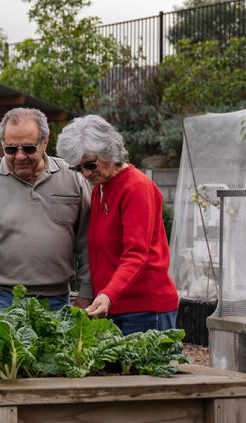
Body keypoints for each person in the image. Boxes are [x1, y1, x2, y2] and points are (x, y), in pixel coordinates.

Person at [0, 107, 93, 315]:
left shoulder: (72, 178)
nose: (20, 156)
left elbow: (87, 240)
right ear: (3, 144)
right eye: (11, 149)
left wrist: (87, 289)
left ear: (45, 142)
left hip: (57, 301)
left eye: (29, 148)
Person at [56, 115, 179, 334]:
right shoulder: (100, 188)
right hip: (113, 305)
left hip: (144, 309)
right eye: (78, 168)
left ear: (109, 152)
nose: (85, 173)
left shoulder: (136, 187)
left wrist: (108, 294)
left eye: (90, 165)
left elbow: (136, 254)